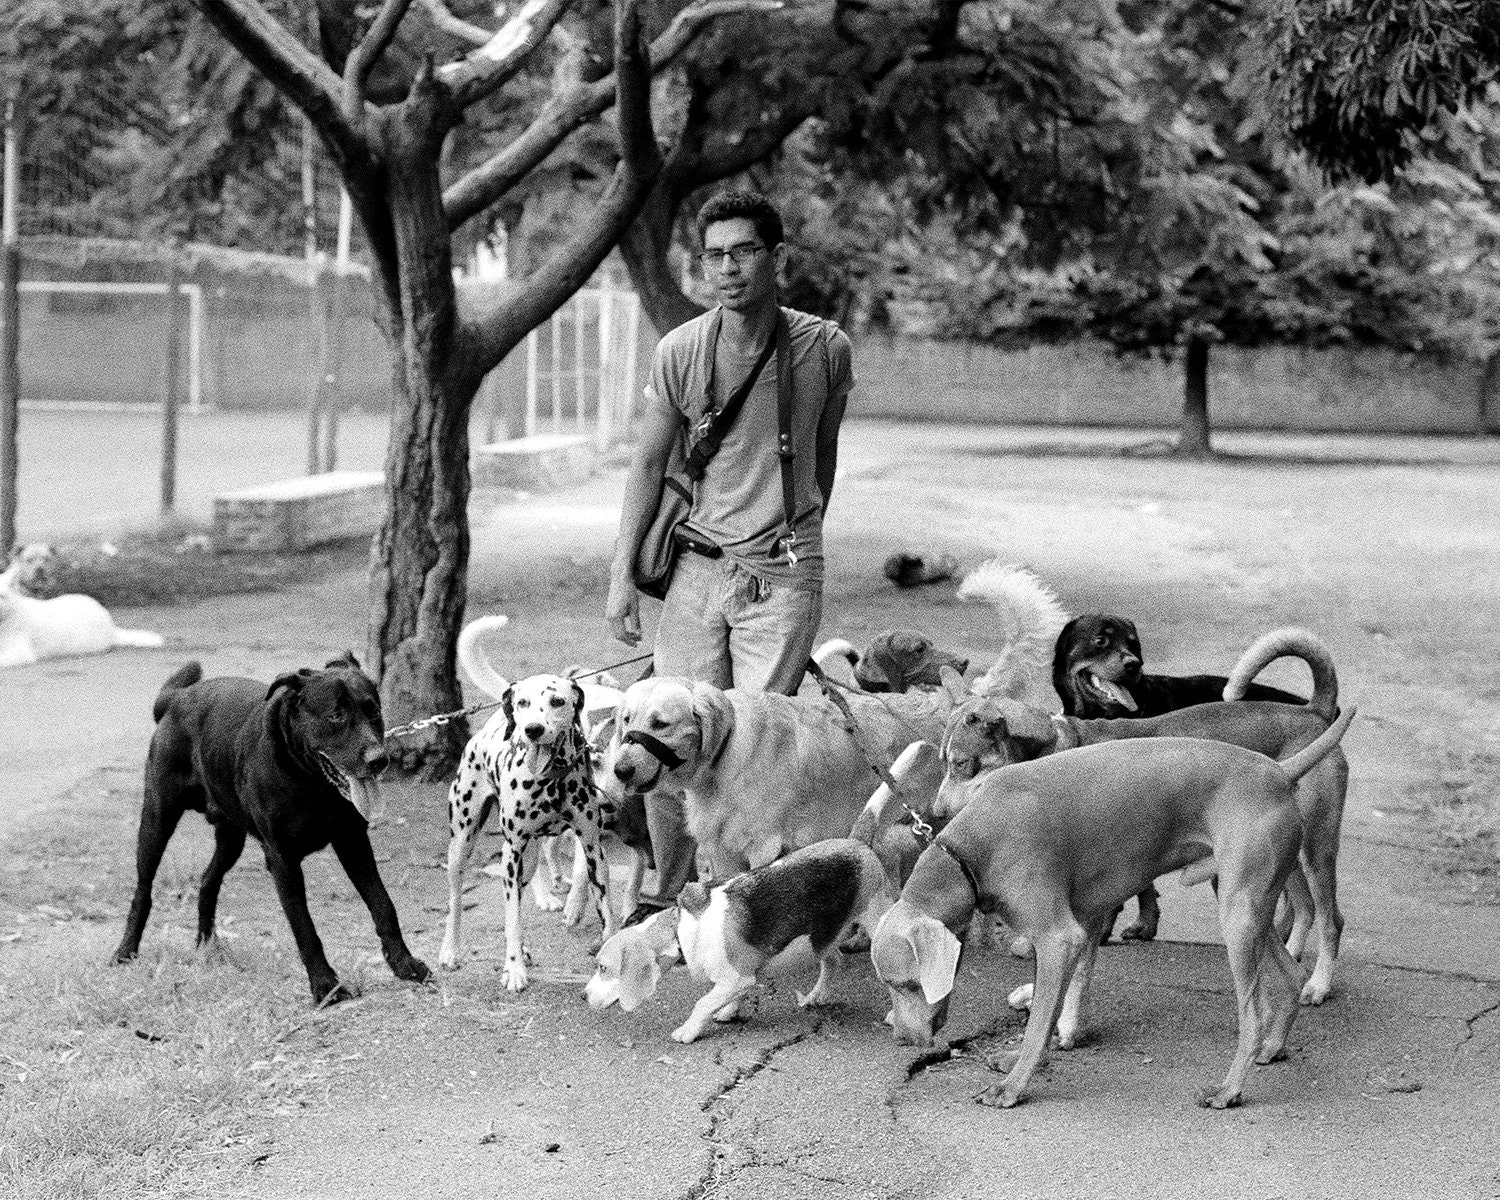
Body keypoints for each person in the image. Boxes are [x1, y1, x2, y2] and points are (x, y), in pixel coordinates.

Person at [605, 189, 855, 913]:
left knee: (751, 749)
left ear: (777, 258)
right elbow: (648, 463)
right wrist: (621, 577)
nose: (728, 269)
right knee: (657, 736)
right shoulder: (682, 350)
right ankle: (666, 897)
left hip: (781, 579)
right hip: (697, 568)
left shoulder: (824, 348)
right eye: (714, 255)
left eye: (744, 252)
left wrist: (800, 545)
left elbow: (823, 453)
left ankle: (733, 906)